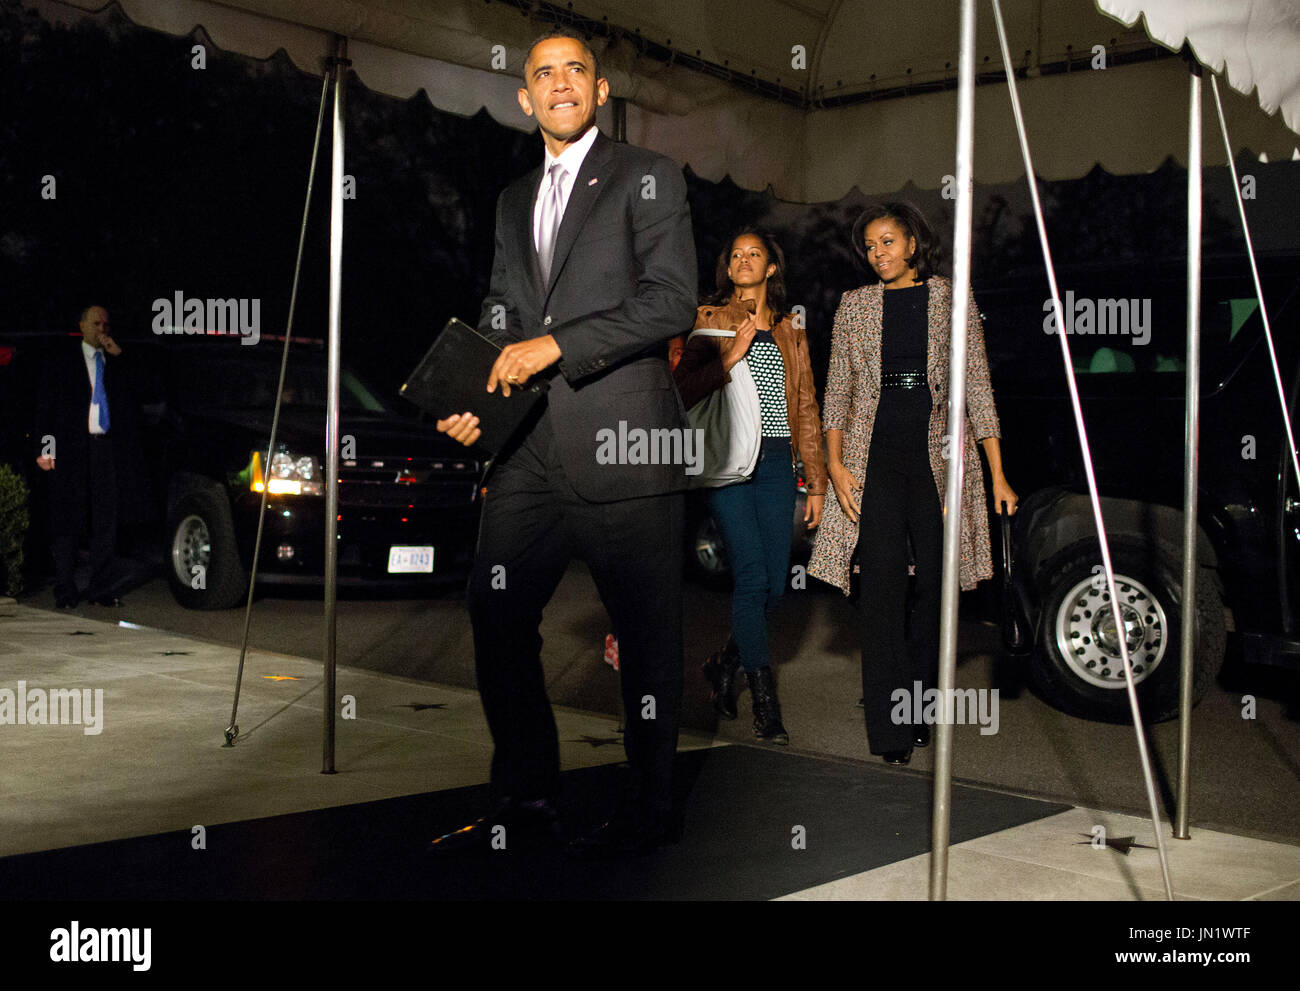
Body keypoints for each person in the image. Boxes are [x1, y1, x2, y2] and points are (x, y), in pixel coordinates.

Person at [430, 30, 697, 856]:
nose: (558, 83)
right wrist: (478, 397)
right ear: (524, 97)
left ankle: (649, 808)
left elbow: (671, 303)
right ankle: (526, 795)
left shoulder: (648, 177)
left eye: (573, 70)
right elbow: (505, 310)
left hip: (626, 442)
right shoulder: (512, 200)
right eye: (541, 73)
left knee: (647, 641)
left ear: (600, 89)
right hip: (531, 453)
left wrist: (558, 345)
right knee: (496, 610)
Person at [808, 202, 1017, 765]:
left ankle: (917, 704)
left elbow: (978, 386)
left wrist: (997, 472)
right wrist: (834, 464)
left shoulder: (952, 299)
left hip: (939, 461)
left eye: (887, 242)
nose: (877, 254)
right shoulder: (855, 306)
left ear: (912, 243)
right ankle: (890, 730)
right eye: (870, 246)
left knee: (935, 589)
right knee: (881, 590)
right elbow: (837, 392)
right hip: (870, 456)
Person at [672, 230, 827, 744]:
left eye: (753, 254)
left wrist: (819, 483)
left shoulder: (791, 328)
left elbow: (805, 407)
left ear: (771, 269)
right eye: (734, 253)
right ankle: (766, 704)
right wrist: (730, 357)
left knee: (776, 586)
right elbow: (680, 391)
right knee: (752, 577)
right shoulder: (705, 318)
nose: (742, 260)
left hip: (778, 462)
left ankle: (723, 664)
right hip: (727, 461)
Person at [33, 306, 140, 608]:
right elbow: (46, 409)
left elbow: (134, 395)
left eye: (105, 323)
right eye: (95, 323)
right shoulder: (63, 363)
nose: (101, 329)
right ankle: (65, 588)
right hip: (71, 449)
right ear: (82, 326)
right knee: (67, 518)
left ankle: (100, 588)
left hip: (104, 447)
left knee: (105, 520)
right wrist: (45, 448)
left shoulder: (113, 362)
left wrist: (118, 356)